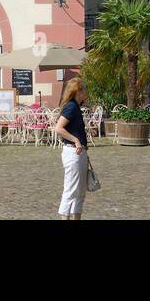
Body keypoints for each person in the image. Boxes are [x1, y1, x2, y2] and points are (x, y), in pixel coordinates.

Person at [54, 76, 90, 220]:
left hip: (79, 153)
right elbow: (59, 128)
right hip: (73, 152)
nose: (86, 92)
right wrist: (76, 140)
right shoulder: (71, 107)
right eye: (84, 89)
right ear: (78, 91)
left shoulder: (76, 106)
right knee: (70, 191)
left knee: (80, 191)